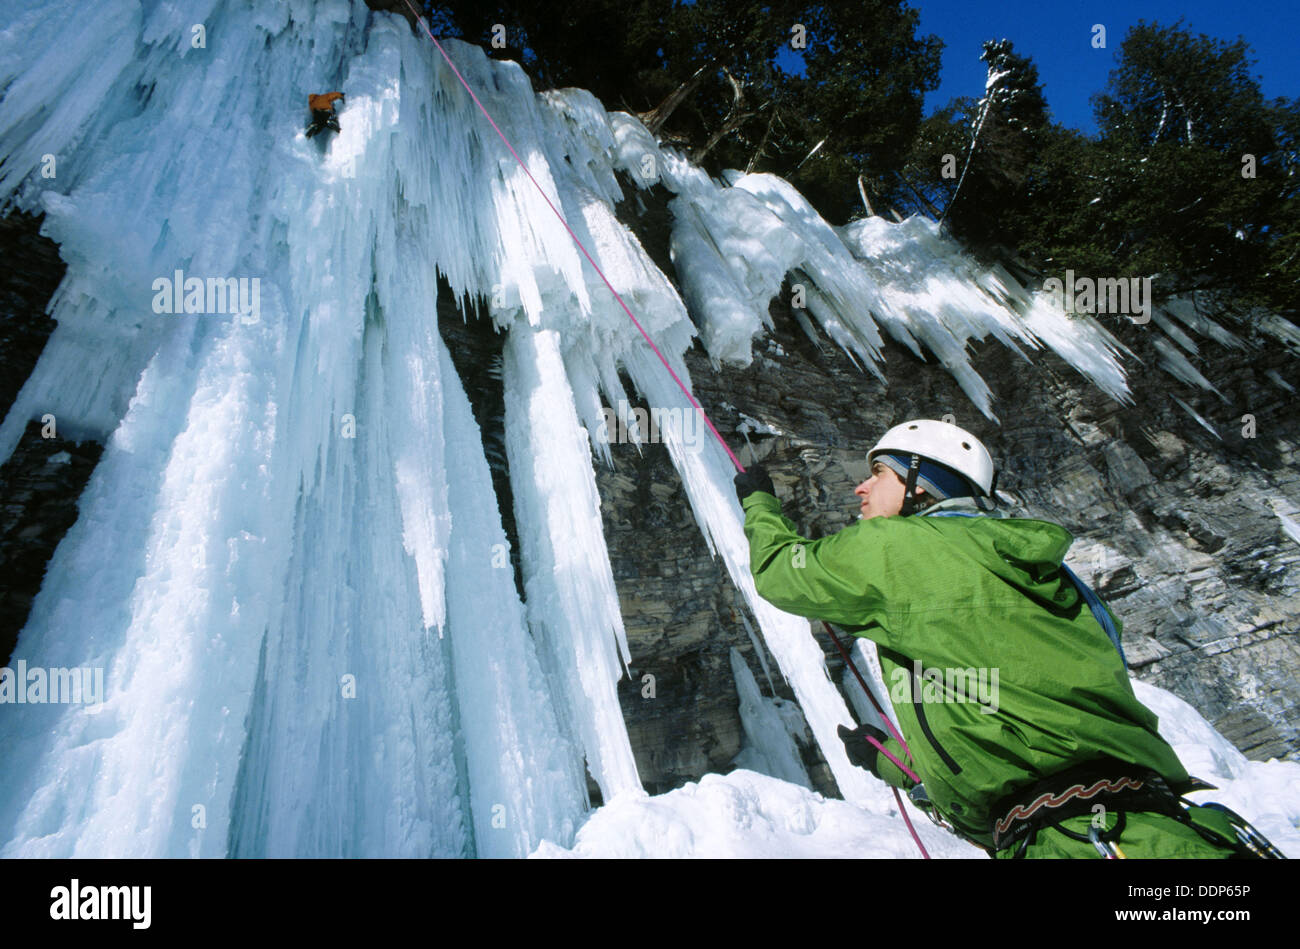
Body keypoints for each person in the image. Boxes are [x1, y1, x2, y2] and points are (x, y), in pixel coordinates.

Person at [734, 418, 1259, 858]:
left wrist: (760, 504)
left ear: (921, 483)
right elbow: (1021, 729)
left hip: (1077, 844)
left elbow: (784, 573)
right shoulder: (1050, 577)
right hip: (1162, 832)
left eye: (878, 473)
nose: (861, 488)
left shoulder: (901, 548)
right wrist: (892, 761)